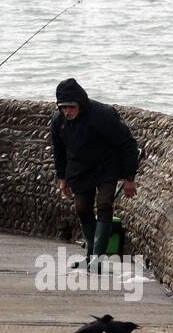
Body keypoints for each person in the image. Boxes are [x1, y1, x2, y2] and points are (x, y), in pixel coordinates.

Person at [50, 78, 140, 268]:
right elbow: (58, 150)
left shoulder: (103, 115)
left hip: (106, 167)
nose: (67, 112)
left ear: (80, 104)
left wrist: (129, 177)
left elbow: (127, 143)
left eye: (71, 107)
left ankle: (98, 259)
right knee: (82, 208)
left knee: (104, 204)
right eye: (63, 107)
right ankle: (91, 254)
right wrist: (62, 178)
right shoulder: (58, 121)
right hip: (79, 169)